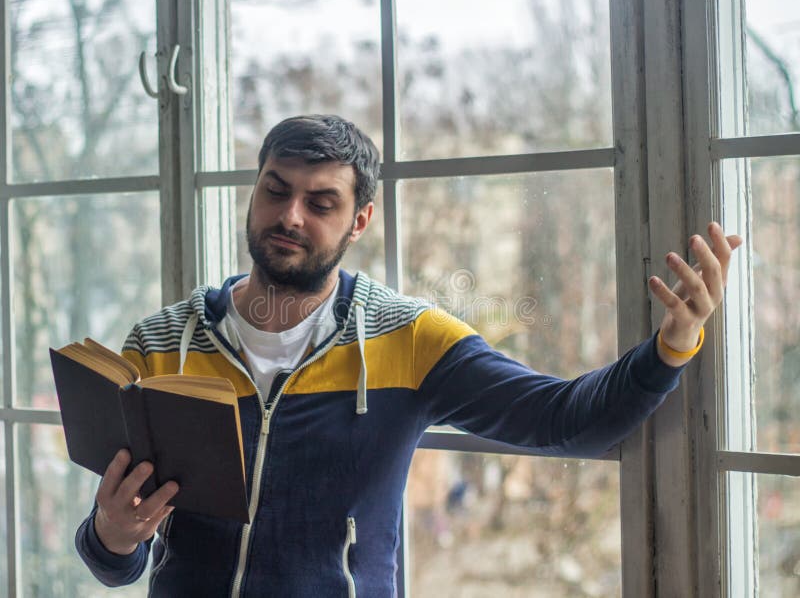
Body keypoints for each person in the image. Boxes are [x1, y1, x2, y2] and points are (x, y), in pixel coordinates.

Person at [75, 114, 742, 597]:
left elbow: (565, 420)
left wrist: (671, 347)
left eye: (321, 202)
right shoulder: (161, 345)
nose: (291, 216)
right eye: (275, 189)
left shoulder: (411, 338)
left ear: (360, 221)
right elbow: (114, 561)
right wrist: (114, 532)